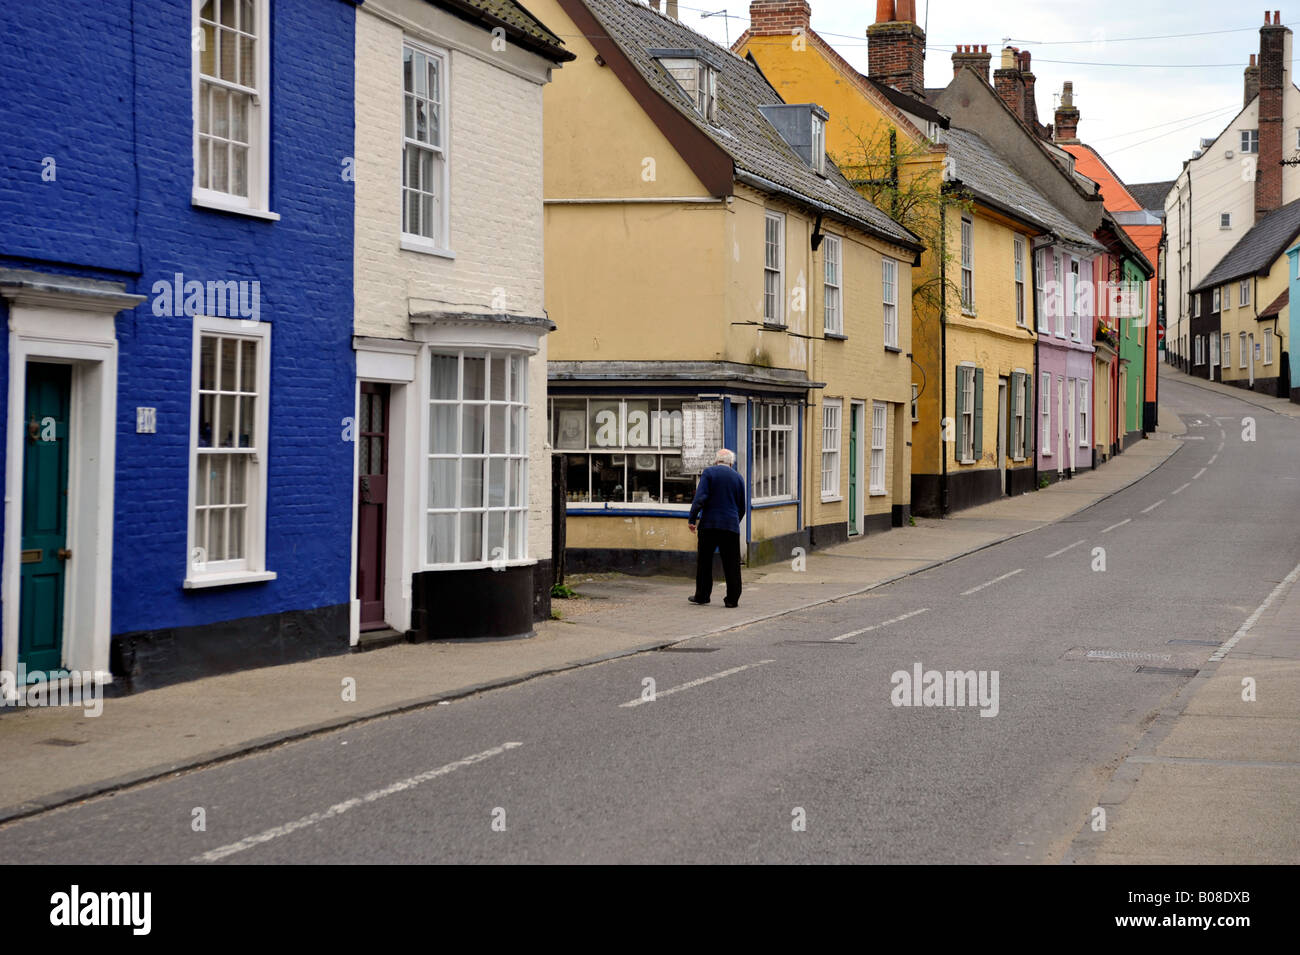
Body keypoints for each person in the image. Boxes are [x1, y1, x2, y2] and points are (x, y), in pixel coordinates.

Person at [686, 448, 747, 607]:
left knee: (705, 561)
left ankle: (703, 596)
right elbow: (742, 506)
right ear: (731, 463)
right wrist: (734, 521)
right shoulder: (738, 478)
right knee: (732, 563)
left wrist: (692, 518)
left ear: (716, 460)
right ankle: (732, 600)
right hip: (730, 526)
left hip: (709, 525)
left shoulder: (709, 473)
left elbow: (700, 498)